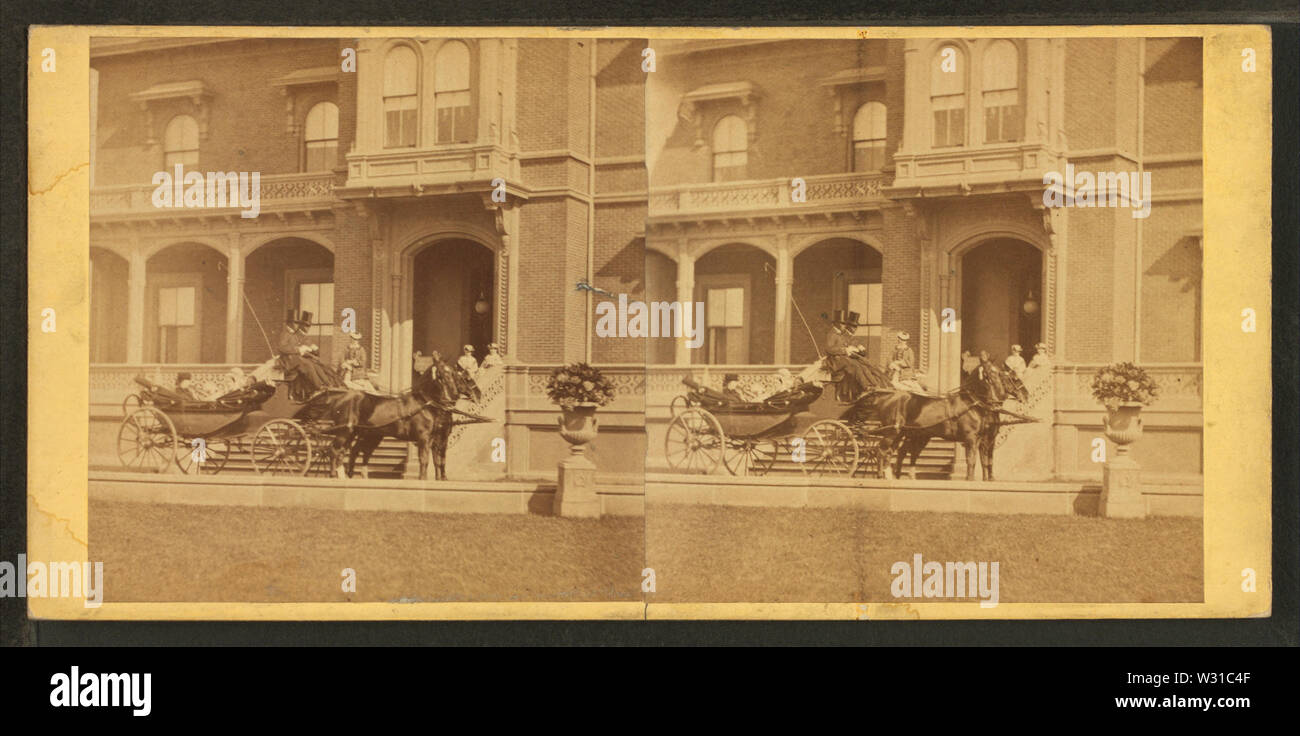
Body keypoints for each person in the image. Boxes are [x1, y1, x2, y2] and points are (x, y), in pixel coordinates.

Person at [824, 310, 888, 401]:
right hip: (834, 362)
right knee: (856, 366)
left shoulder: (840, 334)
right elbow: (829, 349)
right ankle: (866, 387)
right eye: (842, 323)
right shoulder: (831, 334)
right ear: (837, 323)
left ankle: (874, 385)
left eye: (844, 323)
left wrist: (855, 349)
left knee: (865, 366)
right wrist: (845, 350)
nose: (844, 325)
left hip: (842, 359)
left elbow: (847, 344)